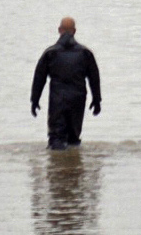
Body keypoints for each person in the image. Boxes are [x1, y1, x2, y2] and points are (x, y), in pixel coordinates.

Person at [32, 17, 101, 150]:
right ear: (74, 31)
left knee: (56, 140)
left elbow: (39, 79)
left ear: (59, 30)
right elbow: (94, 78)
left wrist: (34, 100)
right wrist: (97, 100)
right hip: (78, 101)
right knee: (73, 140)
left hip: (58, 101)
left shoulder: (50, 53)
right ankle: (74, 168)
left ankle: (58, 168)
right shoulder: (85, 53)